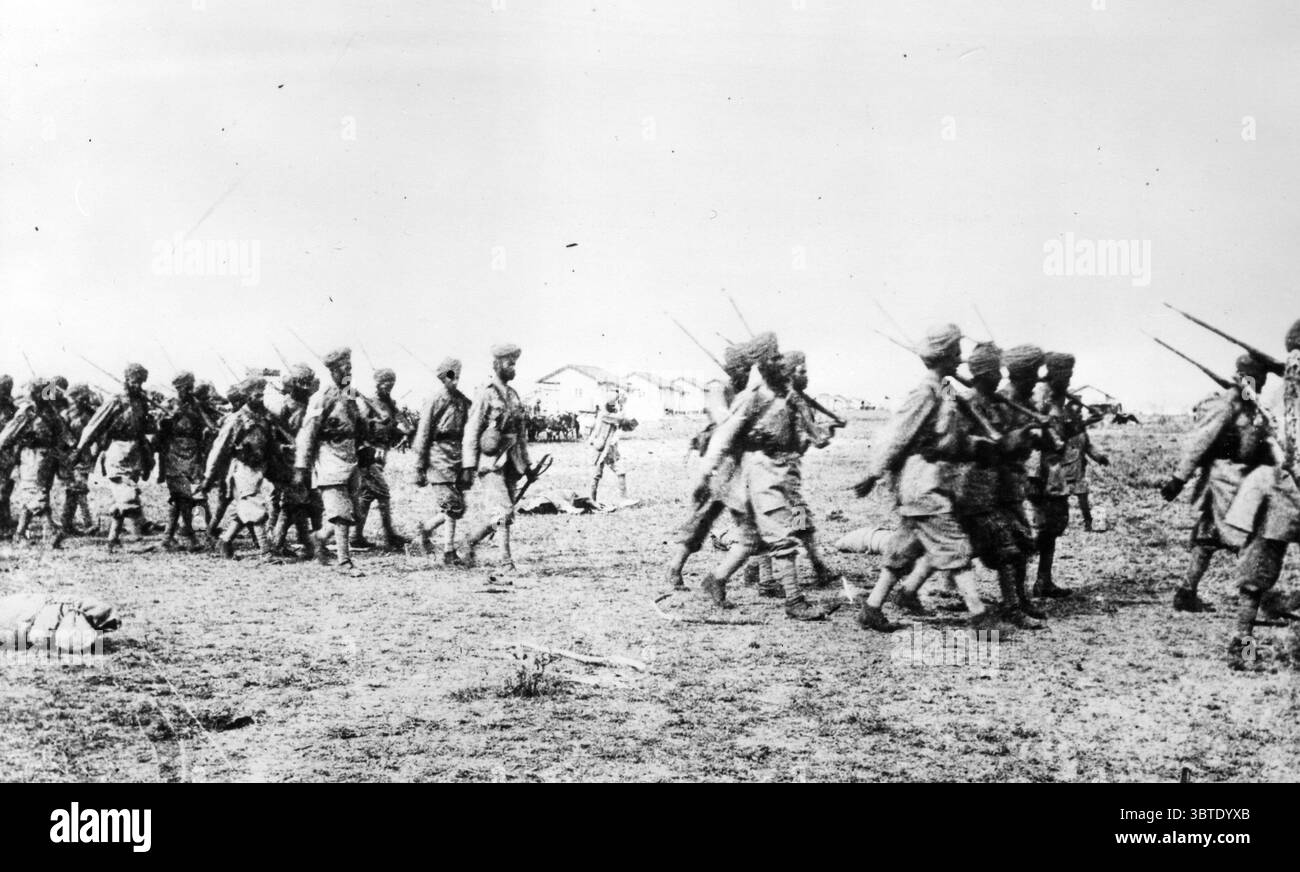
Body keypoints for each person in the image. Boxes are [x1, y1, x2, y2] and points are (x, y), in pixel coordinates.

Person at [851, 324, 1002, 632]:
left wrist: (981, 443)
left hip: (932, 482)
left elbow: (952, 438)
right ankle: (979, 617)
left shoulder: (945, 392)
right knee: (954, 546)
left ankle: (872, 609)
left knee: (904, 548)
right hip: (923, 485)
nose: (961, 360)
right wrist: (873, 473)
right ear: (944, 356)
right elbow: (897, 436)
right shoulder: (924, 394)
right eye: (956, 353)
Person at [690, 332, 835, 621]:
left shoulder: (789, 398)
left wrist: (825, 432)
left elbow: (804, 439)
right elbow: (724, 435)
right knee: (782, 536)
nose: (782, 362)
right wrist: (704, 475)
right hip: (759, 473)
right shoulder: (753, 398)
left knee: (750, 540)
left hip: (778, 473)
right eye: (776, 357)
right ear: (763, 364)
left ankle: (716, 579)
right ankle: (795, 601)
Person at [1160, 354, 1273, 613]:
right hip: (1226, 480)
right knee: (1250, 536)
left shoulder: (1250, 407)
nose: (1263, 386)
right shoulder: (1224, 406)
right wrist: (1178, 479)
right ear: (1247, 378)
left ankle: (1187, 592)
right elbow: (1199, 443)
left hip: (1240, 478)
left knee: (1208, 536)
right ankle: (1257, 599)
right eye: (1259, 380)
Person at [1221, 320, 1300, 669]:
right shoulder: (1273, 394)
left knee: (1256, 576)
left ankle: (1244, 647)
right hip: (1281, 488)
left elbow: (1250, 447)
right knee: (1257, 574)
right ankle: (1244, 649)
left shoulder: (1271, 396)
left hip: (1277, 487)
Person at [743, 350, 842, 597]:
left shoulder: (788, 399)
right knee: (774, 526)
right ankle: (765, 577)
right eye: (802, 371)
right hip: (774, 474)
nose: (806, 376)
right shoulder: (787, 401)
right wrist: (831, 428)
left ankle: (817, 567)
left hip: (787, 476)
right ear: (789, 373)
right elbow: (816, 439)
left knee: (800, 521)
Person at [664, 343, 754, 590]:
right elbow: (722, 419)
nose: (744, 370)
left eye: (748, 366)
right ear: (730, 367)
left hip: (742, 462)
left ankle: (756, 572)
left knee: (753, 519)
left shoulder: (749, 389)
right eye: (740, 366)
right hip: (720, 462)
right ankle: (674, 568)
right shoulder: (718, 388)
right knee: (703, 519)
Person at [1028, 352, 1107, 597]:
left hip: (1054, 474)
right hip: (1038, 473)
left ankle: (1044, 580)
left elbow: (1063, 432)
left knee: (1053, 527)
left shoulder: (1059, 399)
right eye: (1067, 374)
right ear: (1055, 372)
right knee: (1041, 530)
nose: (1070, 380)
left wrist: (1086, 423)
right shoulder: (1039, 395)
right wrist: (1032, 474)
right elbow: (1032, 434)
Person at [295, 347, 367, 574]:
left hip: (350, 455)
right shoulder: (321, 397)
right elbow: (307, 433)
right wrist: (301, 467)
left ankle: (318, 538)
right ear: (333, 370)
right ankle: (344, 562)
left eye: (350, 367)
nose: (348, 371)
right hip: (329, 455)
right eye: (344, 368)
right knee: (341, 512)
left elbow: (361, 423)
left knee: (352, 512)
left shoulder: (351, 394)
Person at [460, 344, 532, 572]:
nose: (513, 368)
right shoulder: (486, 392)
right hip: (491, 462)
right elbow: (471, 430)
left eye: (514, 363)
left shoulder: (513, 395)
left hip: (512, 461)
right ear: (497, 365)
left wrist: (527, 464)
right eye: (509, 363)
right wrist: (468, 465)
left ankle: (469, 541)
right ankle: (505, 561)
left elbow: (521, 435)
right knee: (503, 512)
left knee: (503, 513)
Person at [74, 363, 156, 550]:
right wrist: (80, 450)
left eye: (141, 382)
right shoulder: (115, 401)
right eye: (135, 382)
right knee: (128, 495)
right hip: (117, 450)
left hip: (135, 452)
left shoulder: (141, 401)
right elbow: (93, 426)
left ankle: (112, 540)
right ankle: (136, 541)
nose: (138, 386)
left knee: (124, 497)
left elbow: (146, 428)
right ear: (126, 380)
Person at [199, 377, 278, 559]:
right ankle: (266, 552)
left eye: (262, 394)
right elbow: (218, 449)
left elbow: (271, 444)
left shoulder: (265, 417)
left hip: (260, 469)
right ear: (247, 396)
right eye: (256, 395)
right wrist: (209, 477)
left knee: (244, 510)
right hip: (242, 468)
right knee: (255, 506)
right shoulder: (236, 420)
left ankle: (225, 540)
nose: (260, 399)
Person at [412, 357, 472, 563]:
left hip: (457, 457)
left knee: (456, 506)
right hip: (437, 456)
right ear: (443, 377)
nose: (454, 381)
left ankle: (426, 530)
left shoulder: (462, 401)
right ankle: (448, 551)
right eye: (450, 376)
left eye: (457, 376)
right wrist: (419, 466)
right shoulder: (435, 400)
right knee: (452, 505)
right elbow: (423, 433)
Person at [0, 378, 69, 546]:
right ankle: (50, 530)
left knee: (37, 492)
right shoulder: (27, 411)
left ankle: (20, 533)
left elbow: (61, 433)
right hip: (31, 455)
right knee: (36, 492)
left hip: (48, 457)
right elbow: (7, 435)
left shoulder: (50, 411)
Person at [156, 371, 215, 550]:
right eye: (185, 387)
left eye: (191, 386)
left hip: (194, 453)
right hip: (174, 452)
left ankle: (197, 532)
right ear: (178, 387)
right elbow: (160, 432)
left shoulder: (196, 404)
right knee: (181, 497)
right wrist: (172, 416)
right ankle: (188, 536)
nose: (188, 390)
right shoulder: (169, 404)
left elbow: (208, 424)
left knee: (197, 495)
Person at [354, 367, 411, 550]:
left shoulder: (390, 405)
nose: (389, 387)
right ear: (378, 383)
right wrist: (377, 422)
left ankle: (356, 536)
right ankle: (389, 535)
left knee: (367, 495)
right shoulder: (368, 403)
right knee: (383, 493)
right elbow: (358, 425)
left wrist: (401, 430)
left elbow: (396, 428)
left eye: (392, 384)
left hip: (382, 453)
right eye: (386, 384)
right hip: (369, 453)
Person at [269, 364, 321, 558]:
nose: (307, 387)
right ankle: (277, 544)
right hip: (291, 461)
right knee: (293, 504)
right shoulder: (288, 407)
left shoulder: (303, 403)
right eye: (303, 382)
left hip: (303, 460)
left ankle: (309, 545)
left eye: (309, 382)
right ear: (295, 383)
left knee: (304, 503)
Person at [57, 384, 99, 536]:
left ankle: (67, 523)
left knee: (76, 490)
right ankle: (87, 522)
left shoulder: (90, 414)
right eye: (79, 397)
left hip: (84, 455)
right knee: (76, 489)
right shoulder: (64, 415)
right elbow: (61, 436)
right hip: (69, 456)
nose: (82, 400)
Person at [588, 395, 637, 503]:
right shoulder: (604, 415)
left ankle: (623, 499)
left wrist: (632, 418)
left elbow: (630, 426)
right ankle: (591, 501)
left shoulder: (612, 415)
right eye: (613, 406)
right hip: (600, 449)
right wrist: (623, 407)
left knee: (621, 472)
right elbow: (620, 419)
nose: (614, 408)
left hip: (611, 449)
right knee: (596, 476)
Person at [0, 375, 17, 534]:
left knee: (5, 485)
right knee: (3, 486)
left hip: (6, 451)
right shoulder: (8, 405)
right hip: (4, 451)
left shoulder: (10, 404)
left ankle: (5, 518)